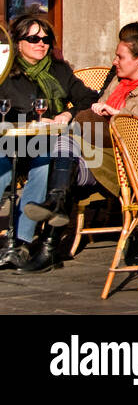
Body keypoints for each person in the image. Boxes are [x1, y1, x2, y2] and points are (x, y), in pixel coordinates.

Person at [0, 15, 97, 272]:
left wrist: (70, 112)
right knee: (1, 170)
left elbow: (88, 97)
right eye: (33, 39)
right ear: (18, 43)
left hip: (46, 142)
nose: (41, 44)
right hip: (11, 139)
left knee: (42, 167)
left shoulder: (59, 70)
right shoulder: (6, 71)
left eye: (46, 39)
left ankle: (21, 242)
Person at [78, 29, 138, 205]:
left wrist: (118, 115)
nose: (114, 61)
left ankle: (56, 203)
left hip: (134, 157)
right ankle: (57, 198)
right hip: (105, 146)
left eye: (120, 57)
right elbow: (98, 111)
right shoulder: (118, 82)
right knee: (69, 141)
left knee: (68, 141)